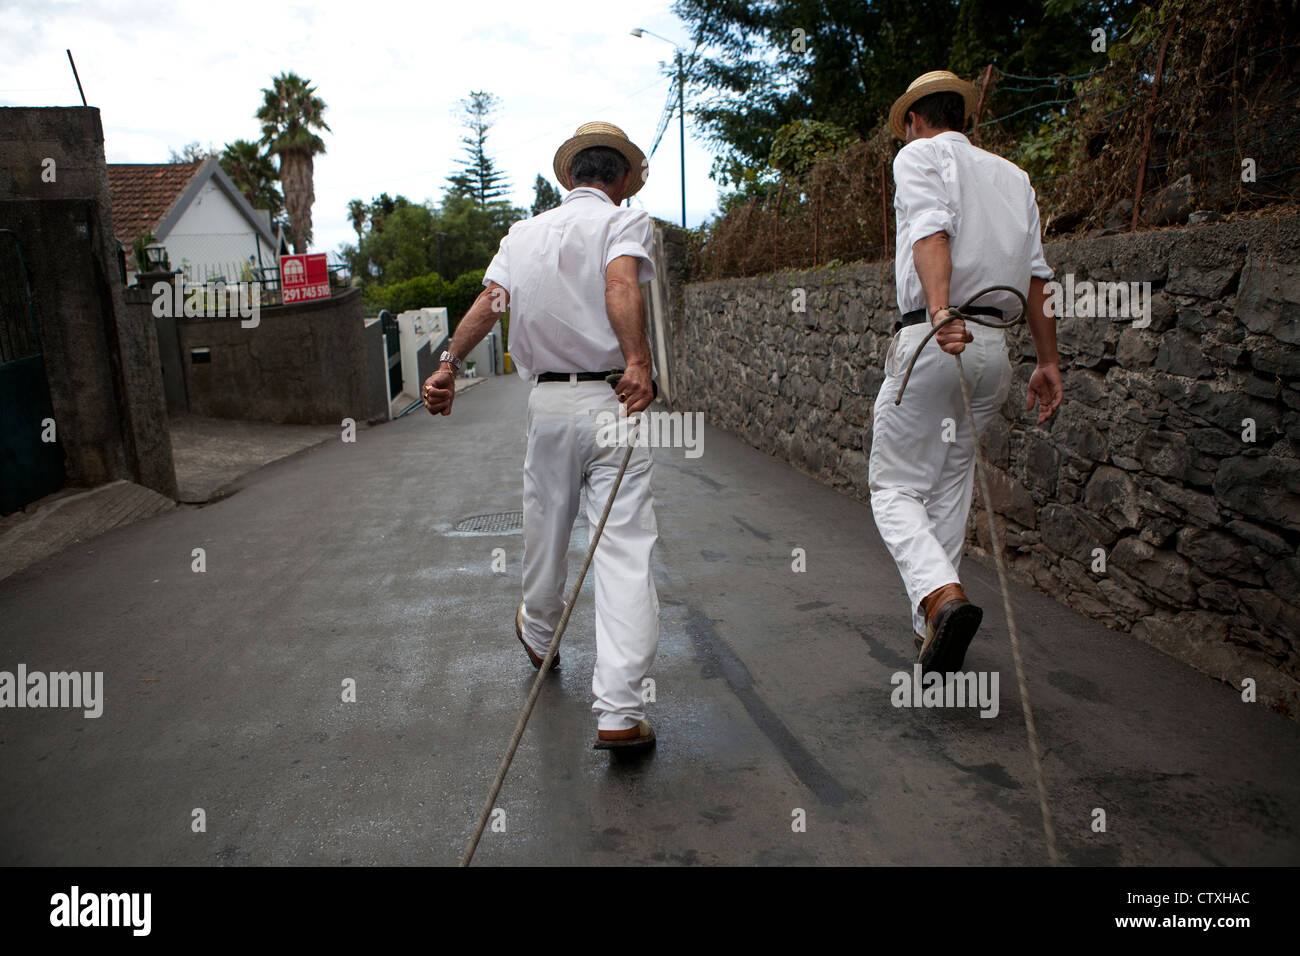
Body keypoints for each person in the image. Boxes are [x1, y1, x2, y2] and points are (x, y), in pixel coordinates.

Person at [422, 121, 660, 751]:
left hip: (549, 403)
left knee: (545, 529)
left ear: (572, 175)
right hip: (613, 399)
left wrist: (448, 364)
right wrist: (637, 360)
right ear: (621, 179)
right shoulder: (622, 222)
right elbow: (619, 285)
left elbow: (491, 302)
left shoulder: (522, 235)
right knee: (623, 550)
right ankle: (618, 712)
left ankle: (539, 631)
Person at [869, 71, 1064, 674]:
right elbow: (1036, 276)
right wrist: (1049, 360)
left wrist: (940, 310)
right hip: (995, 352)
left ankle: (943, 596)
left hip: (938, 335)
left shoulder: (917, 156)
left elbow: (930, 230)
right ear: (964, 116)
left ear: (913, 120)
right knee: (949, 489)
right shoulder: (1014, 177)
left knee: (895, 485)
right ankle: (929, 623)